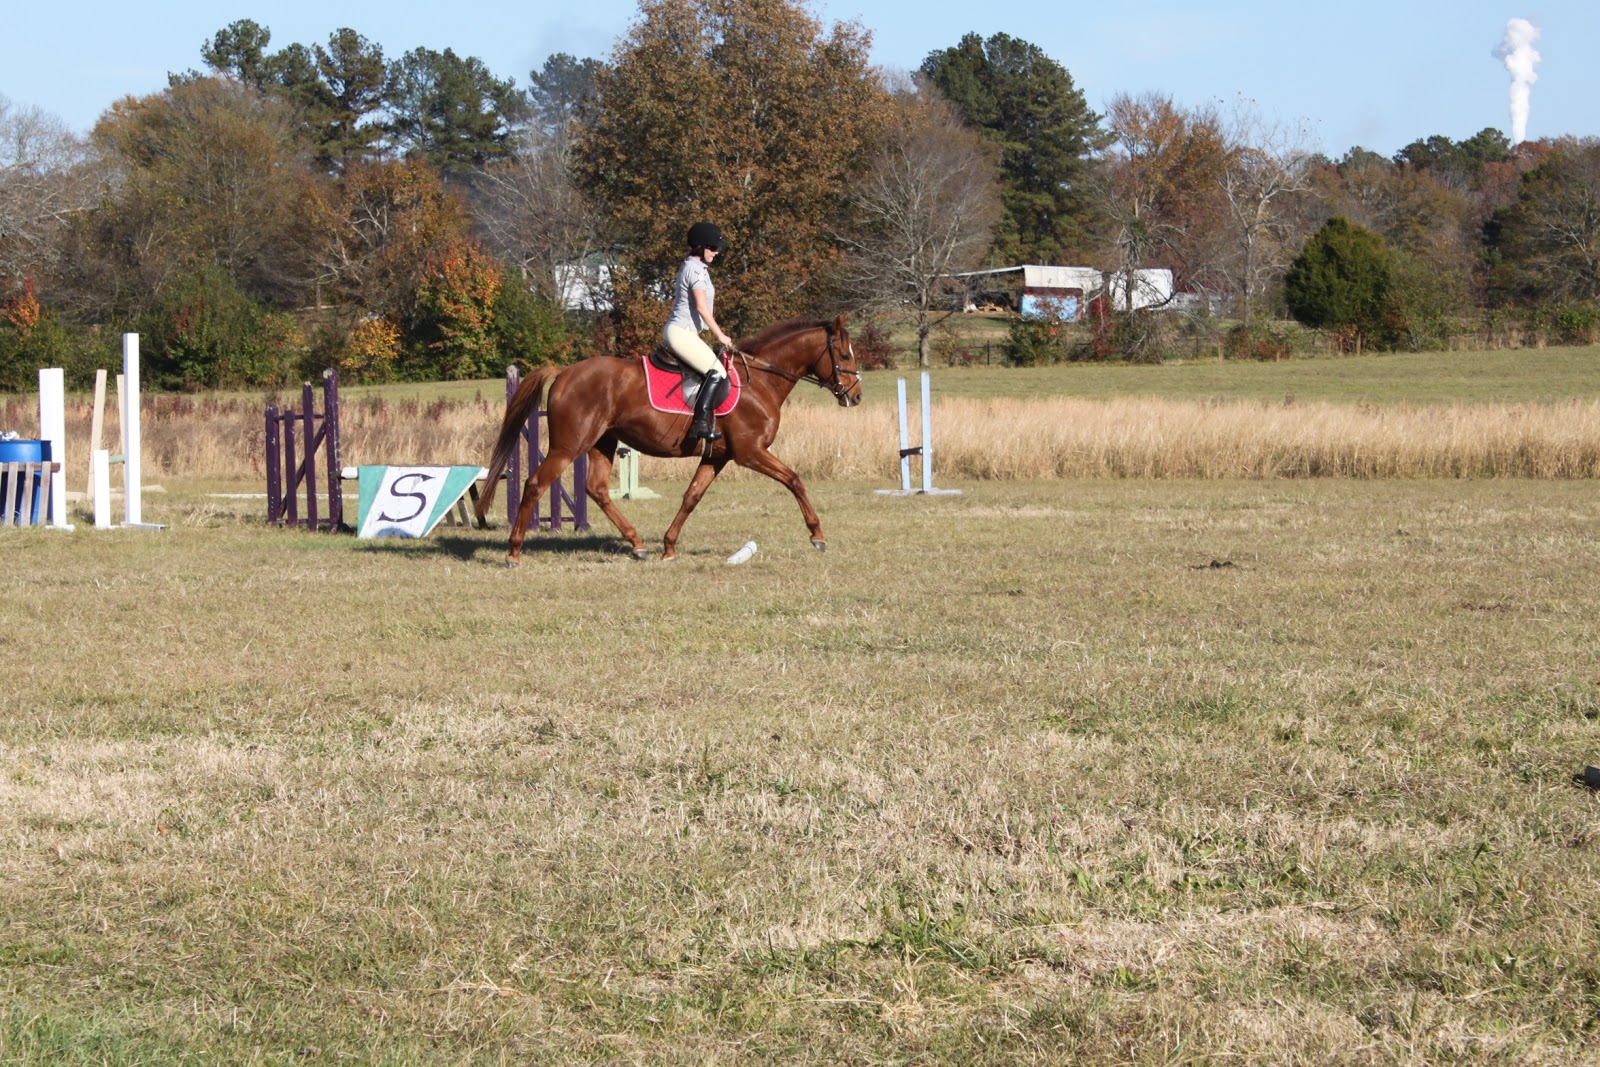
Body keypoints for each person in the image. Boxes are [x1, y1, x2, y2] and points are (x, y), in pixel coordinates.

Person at [663, 222, 735, 442]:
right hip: (681, 332)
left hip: (685, 332)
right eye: (712, 247)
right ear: (700, 247)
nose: (716, 251)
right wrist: (720, 335)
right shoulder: (695, 270)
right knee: (717, 372)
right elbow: (702, 308)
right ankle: (699, 425)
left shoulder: (695, 267)